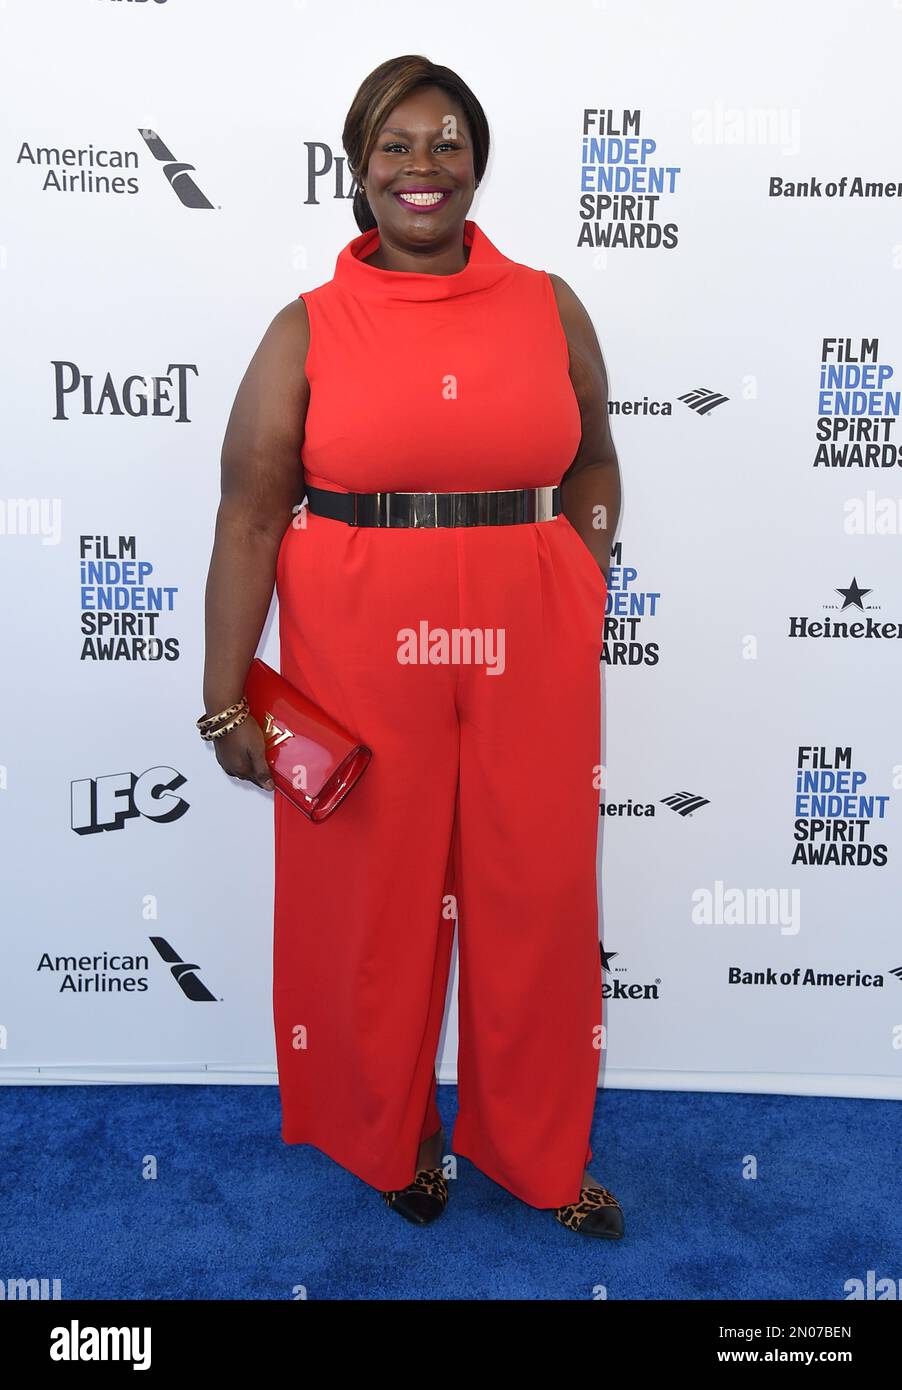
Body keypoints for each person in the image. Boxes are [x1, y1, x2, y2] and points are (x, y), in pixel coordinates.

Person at [200, 55, 623, 1239]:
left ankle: (537, 1153)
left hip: (528, 640)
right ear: (359, 167)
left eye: (445, 143)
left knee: (537, 895)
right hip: (357, 642)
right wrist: (225, 698)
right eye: (395, 145)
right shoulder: (306, 326)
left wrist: (579, 575)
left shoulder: (547, 304)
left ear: (476, 163)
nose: (421, 166)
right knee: (368, 901)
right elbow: (248, 512)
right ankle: (385, 1137)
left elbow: (592, 456)